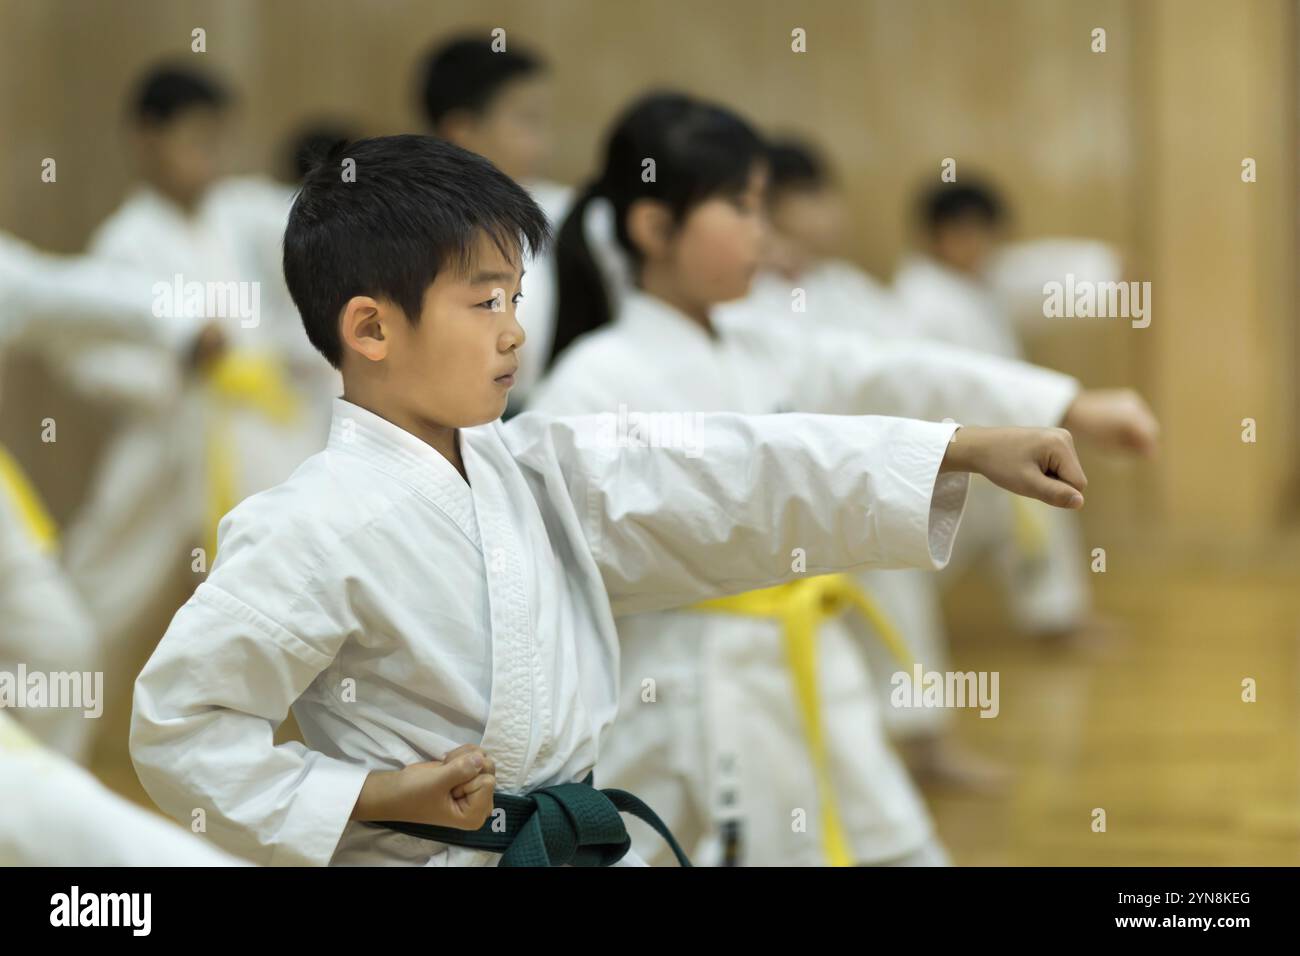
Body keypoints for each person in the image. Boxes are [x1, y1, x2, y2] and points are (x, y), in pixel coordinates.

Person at [130, 133, 1088, 867]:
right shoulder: (307, 526)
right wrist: (373, 795)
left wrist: (958, 448)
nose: (513, 334)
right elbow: (181, 728)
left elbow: (737, 470)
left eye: (515, 299)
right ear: (372, 328)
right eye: (485, 301)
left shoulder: (537, 465)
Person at [530, 92, 1155, 865]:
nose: (765, 233)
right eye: (741, 208)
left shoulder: (764, 342)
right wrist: (957, 449)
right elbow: (746, 482)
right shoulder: (591, 384)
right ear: (654, 227)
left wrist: (1064, 402)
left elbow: (891, 375)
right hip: (682, 694)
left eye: (765, 208)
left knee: (893, 844)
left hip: (810, 665)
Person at [58, 64, 330, 657]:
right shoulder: (124, 240)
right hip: (167, 436)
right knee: (103, 589)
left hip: (259, 431)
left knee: (288, 575)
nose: (206, 158)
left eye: (216, 141)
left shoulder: (237, 214)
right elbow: (90, 363)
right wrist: (181, 365)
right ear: (145, 140)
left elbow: (300, 249)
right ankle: (52, 717)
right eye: (192, 141)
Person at [417, 33, 572, 403]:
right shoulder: (405, 225)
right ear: (462, 129)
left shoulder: (563, 211)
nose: (544, 144)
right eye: (527, 121)